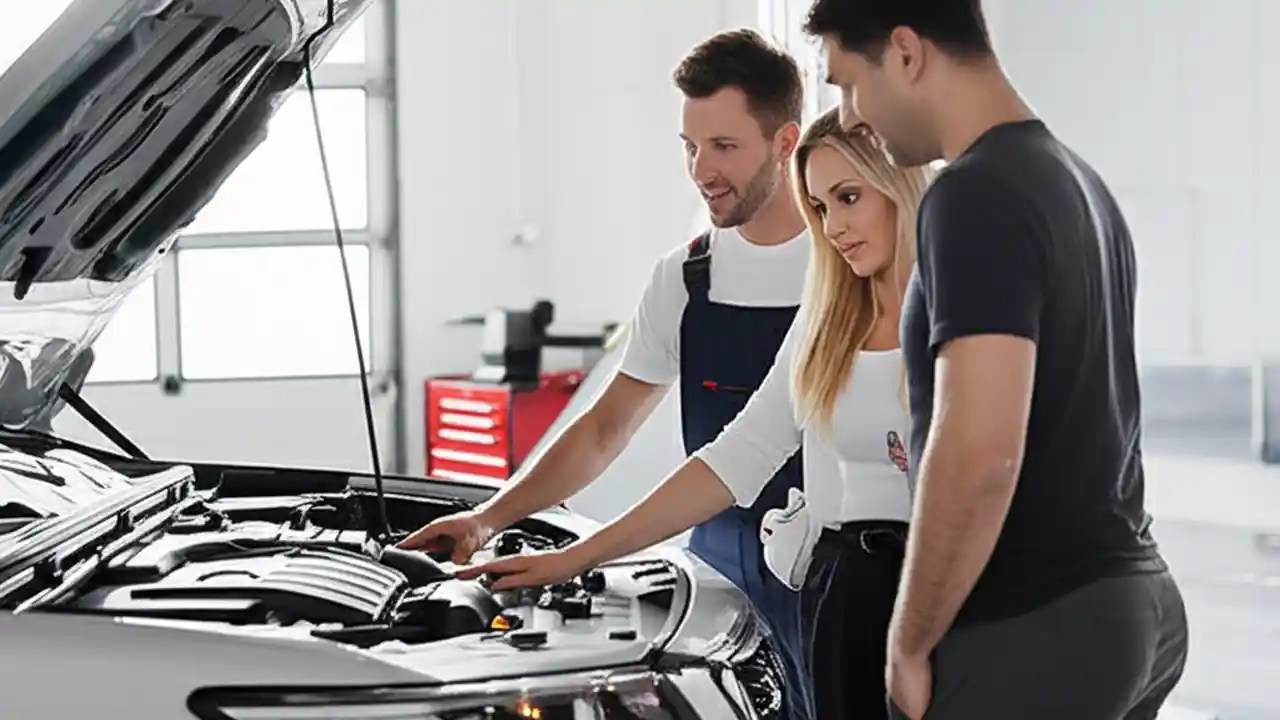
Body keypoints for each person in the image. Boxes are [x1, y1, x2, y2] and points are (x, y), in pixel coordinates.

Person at [453, 108, 935, 719]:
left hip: (951, 589)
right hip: (844, 595)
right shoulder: (826, 321)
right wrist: (577, 556)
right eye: (819, 208)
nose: (834, 226)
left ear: (901, 188)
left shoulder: (966, 316)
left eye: (848, 198)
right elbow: (734, 458)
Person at [397, 28, 816, 720]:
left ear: (785, 140)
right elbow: (604, 428)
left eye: (724, 147)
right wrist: (489, 516)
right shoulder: (685, 278)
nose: (701, 170)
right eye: (689, 145)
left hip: (825, 579)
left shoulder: (849, 270)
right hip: (715, 581)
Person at [802, 1, 1191, 718]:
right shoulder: (1077, 182)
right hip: (1134, 602)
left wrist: (908, 641)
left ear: (907, 51)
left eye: (849, 83)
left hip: (1033, 622)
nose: (851, 115)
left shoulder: (972, 194)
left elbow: (980, 451)